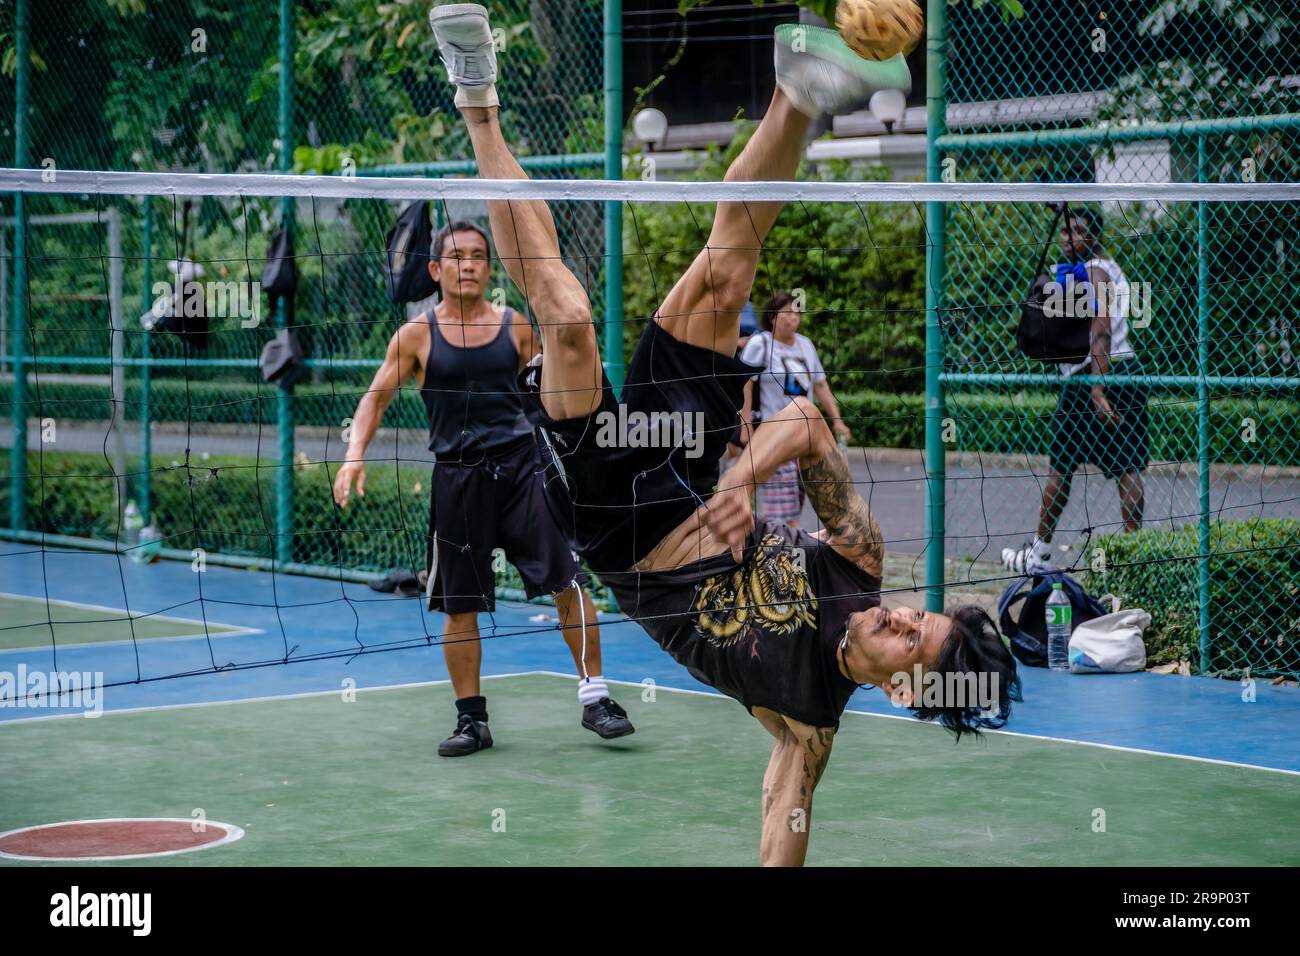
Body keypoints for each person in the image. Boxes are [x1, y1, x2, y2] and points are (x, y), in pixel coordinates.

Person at [429, 3, 1018, 865]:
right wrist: (739, 482)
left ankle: (476, 99)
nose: (897, 615)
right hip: (692, 463)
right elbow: (804, 422)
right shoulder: (859, 560)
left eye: (908, 640)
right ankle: (798, 96)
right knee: (726, 273)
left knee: (568, 321)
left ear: (901, 689)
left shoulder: (805, 722)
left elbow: (783, 823)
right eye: (915, 615)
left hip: (618, 523)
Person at [332, 216, 634, 756]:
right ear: (435, 269)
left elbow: (555, 385)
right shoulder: (415, 336)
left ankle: (597, 699)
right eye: (456, 256)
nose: (467, 265)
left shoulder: (516, 327)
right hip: (457, 479)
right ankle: (472, 720)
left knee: (568, 582)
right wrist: (354, 454)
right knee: (459, 605)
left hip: (524, 473)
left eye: (477, 256)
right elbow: (375, 398)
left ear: (489, 269)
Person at [1002, 207, 1148, 574]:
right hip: (1119, 371)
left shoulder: (1096, 270)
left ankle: (1039, 553)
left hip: (1096, 377)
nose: (1069, 237)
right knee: (1125, 467)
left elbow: (1100, 328)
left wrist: (1098, 388)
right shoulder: (1096, 270)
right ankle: (1133, 556)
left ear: (1096, 237)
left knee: (1064, 467)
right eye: (1065, 231)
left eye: (1078, 231)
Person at [738, 291, 851, 526]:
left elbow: (820, 385)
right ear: (773, 317)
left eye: (797, 313)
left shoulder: (805, 345)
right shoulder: (761, 343)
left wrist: (837, 421)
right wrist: (745, 422)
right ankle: (780, 541)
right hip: (774, 433)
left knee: (797, 500)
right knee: (782, 510)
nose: (794, 317)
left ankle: (770, 537)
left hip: (804, 435)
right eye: (788, 312)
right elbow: (745, 382)